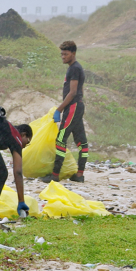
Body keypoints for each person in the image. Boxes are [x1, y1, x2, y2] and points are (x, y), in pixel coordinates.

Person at [43, 40, 88, 183]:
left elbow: (73, 92)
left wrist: (59, 109)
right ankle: (79, 175)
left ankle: (55, 175)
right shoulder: (77, 68)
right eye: (61, 54)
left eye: (66, 54)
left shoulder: (74, 69)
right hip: (77, 106)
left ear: (73, 53)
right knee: (81, 141)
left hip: (73, 107)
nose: (63, 57)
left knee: (61, 139)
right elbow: (80, 90)